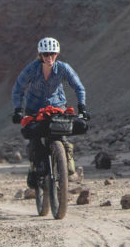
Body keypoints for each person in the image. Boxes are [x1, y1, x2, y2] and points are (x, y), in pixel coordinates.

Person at [11, 37, 88, 189]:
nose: (49, 57)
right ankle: (34, 167)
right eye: (46, 54)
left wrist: (82, 108)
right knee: (34, 141)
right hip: (34, 109)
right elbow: (18, 89)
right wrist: (18, 110)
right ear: (40, 55)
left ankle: (64, 163)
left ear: (57, 54)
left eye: (52, 54)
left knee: (62, 137)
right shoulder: (32, 69)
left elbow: (79, 87)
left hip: (58, 108)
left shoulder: (63, 68)